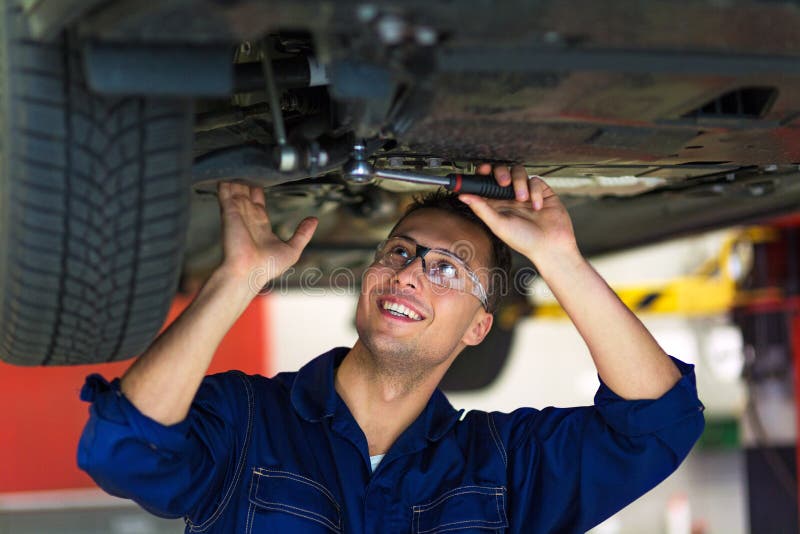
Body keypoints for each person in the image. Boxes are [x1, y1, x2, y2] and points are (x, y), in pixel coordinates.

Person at [78, 164, 705, 533]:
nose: (409, 273)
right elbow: (122, 453)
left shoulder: (500, 471)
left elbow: (656, 426)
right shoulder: (247, 422)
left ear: (478, 328)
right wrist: (237, 276)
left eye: (448, 269)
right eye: (400, 251)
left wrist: (559, 257)